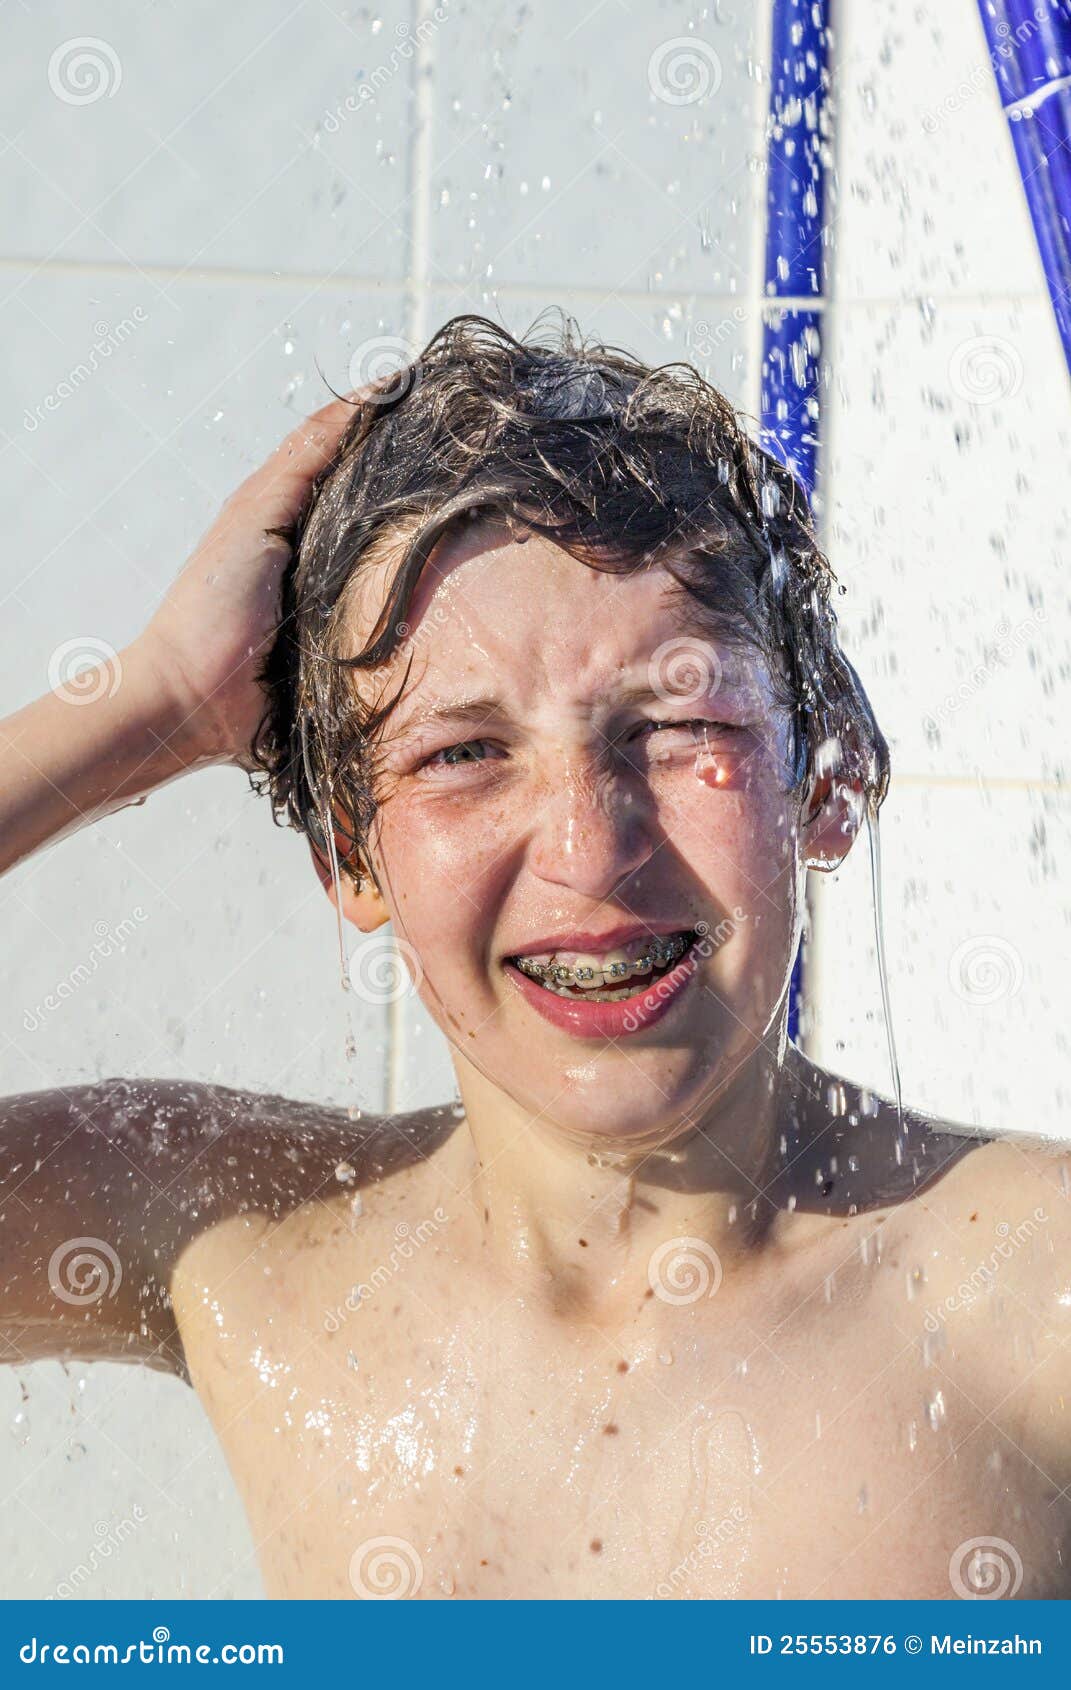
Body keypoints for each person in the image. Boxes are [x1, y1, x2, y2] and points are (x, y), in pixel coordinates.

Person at [1, 316, 1067, 1601]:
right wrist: (157, 699)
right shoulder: (238, 1246)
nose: (588, 852)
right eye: (463, 753)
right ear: (347, 853)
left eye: (676, 727)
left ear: (823, 781)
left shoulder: (1032, 1295)